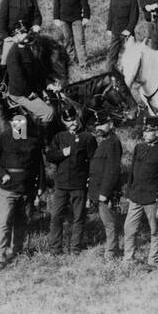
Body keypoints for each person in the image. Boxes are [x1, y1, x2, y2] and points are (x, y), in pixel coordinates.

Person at [0, 109, 41, 267]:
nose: (19, 125)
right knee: (4, 222)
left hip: (27, 187)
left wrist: (39, 187)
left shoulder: (33, 140)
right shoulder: (1, 138)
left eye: (22, 122)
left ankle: (18, 250)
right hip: (7, 188)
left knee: (22, 221)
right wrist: (2, 174)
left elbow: (39, 166)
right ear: (10, 123)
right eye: (16, 122)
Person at [122, 116, 158, 270]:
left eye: (149, 131)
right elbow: (132, 172)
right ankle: (128, 259)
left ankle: (154, 261)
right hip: (136, 197)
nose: (145, 134)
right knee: (129, 229)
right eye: (144, 131)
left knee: (156, 231)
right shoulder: (139, 148)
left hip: (153, 199)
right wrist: (128, 193)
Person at [46, 109, 97, 254]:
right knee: (56, 217)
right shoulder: (59, 137)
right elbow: (49, 155)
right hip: (61, 185)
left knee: (78, 217)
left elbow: (93, 161)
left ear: (78, 119)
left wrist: (90, 181)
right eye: (68, 120)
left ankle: (75, 248)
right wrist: (62, 153)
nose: (72, 123)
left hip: (79, 185)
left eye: (74, 119)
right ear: (64, 122)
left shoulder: (88, 138)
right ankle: (55, 249)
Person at [88, 112, 124, 259]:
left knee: (110, 224)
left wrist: (104, 192)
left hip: (106, 192)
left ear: (111, 124)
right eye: (97, 125)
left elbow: (113, 170)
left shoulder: (114, 142)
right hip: (98, 190)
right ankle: (110, 250)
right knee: (107, 223)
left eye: (102, 124)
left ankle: (111, 253)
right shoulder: (104, 142)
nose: (99, 127)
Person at [0, 0, 42, 66]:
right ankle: (3, 80)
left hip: (28, 33)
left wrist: (36, 25)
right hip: (12, 35)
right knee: (5, 61)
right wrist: (5, 36)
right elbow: (2, 19)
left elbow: (37, 16)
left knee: (39, 58)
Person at [52, 0, 91, 67]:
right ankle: (72, 61)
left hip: (77, 18)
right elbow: (56, 3)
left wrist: (86, 16)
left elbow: (84, 2)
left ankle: (83, 63)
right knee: (68, 41)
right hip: (63, 19)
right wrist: (56, 18)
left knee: (80, 41)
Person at [104, 0, 139, 67]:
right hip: (115, 31)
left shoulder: (132, 0)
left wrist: (129, 30)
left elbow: (134, 17)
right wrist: (109, 28)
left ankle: (131, 72)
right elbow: (111, 14)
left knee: (130, 54)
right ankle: (110, 72)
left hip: (127, 33)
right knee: (112, 53)